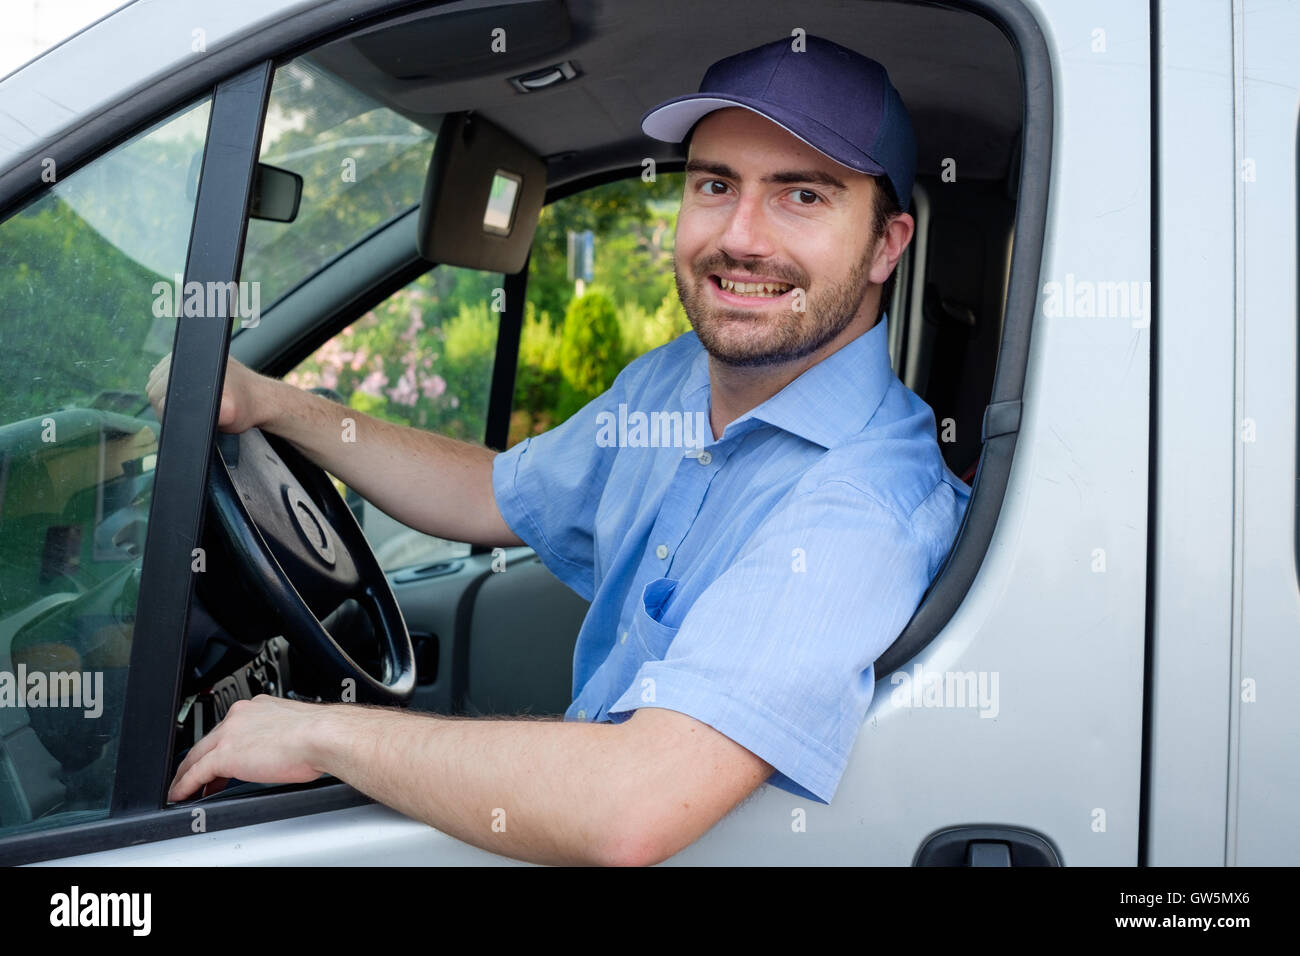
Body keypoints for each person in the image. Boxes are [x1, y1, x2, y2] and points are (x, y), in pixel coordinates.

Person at [152, 34, 971, 866]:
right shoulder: (677, 380)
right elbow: (491, 495)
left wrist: (322, 734)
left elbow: (631, 806)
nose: (743, 237)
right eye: (716, 184)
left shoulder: (865, 504)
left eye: (803, 195)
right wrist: (273, 404)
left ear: (886, 245)